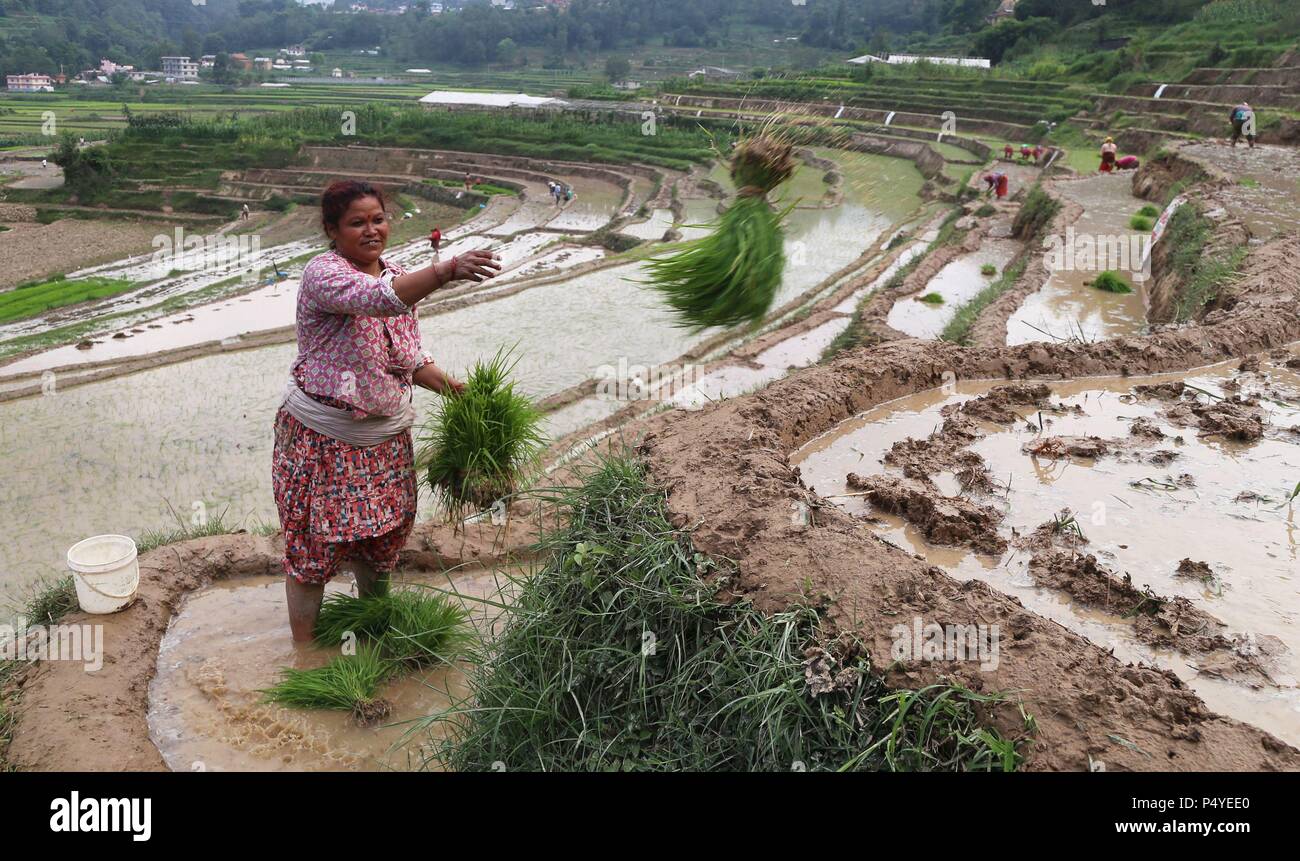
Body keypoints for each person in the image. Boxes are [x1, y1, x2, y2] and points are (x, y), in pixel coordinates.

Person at [272, 180, 501, 641]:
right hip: (326, 442)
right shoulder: (324, 274)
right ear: (332, 230)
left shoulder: (393, 271)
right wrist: (448, 269)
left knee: (380, 540)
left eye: (378, 219)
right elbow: (377, 300)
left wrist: (453, 388)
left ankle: (373, 627)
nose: (371, 229)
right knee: (314, 546)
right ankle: (305, 651)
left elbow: (409, 357)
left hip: (385, 441)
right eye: (357, 222)